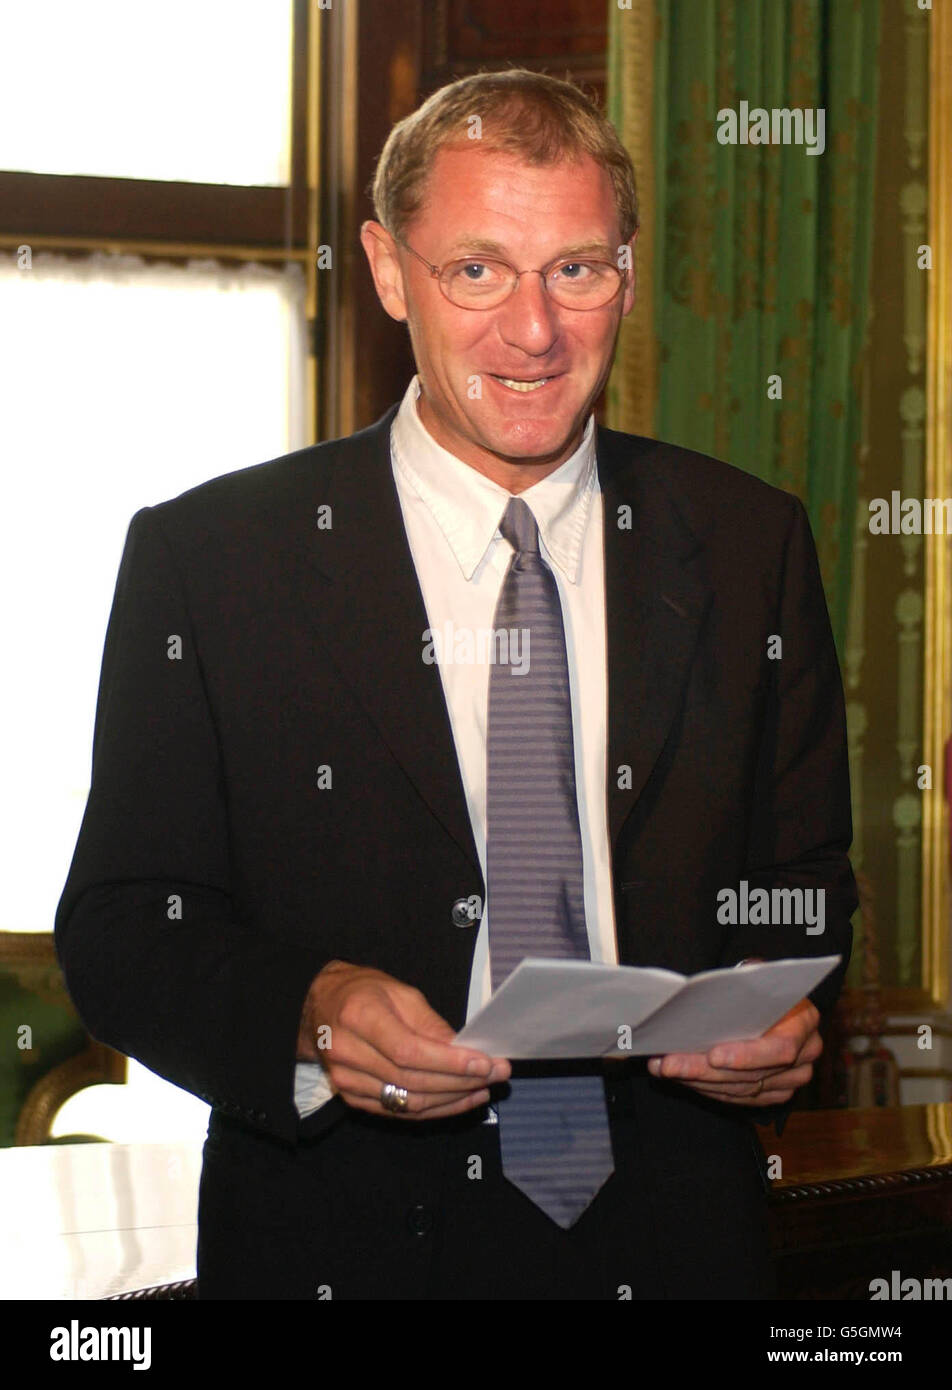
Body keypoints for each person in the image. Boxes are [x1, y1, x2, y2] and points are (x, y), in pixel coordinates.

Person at [55, 68, 856, 1300]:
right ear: (387, 270)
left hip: (681, 1247)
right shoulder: (213, 562)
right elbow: (120, 929)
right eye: (476, 270)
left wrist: (784, 1026)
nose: (533, 331)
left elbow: (804, 886)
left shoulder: (749, 544)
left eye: (577, 270)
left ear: (626, 273)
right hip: (340, 1245)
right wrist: (311, 1009)